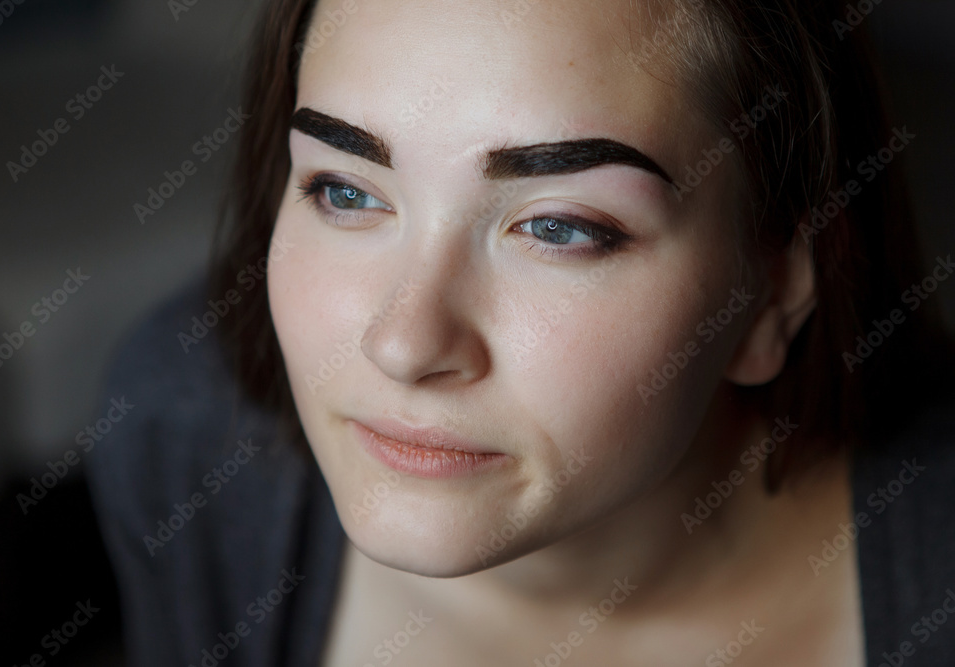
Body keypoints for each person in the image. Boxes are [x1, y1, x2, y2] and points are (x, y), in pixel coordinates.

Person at [87, 0, 955, 665]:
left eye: (560, 227)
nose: (405, 344)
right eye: (345, 192)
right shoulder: (187, 436)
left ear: (772, 294)